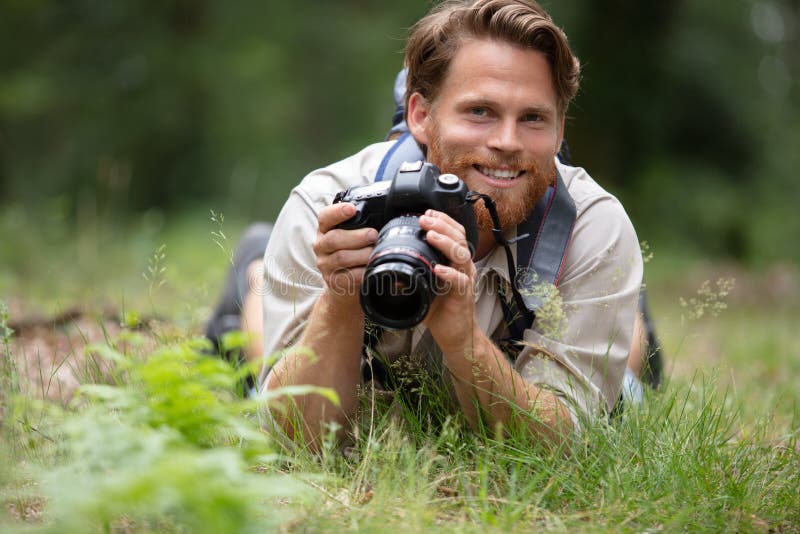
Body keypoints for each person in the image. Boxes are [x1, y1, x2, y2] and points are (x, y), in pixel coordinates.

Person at [208, 0, 645, 447]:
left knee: (629, 369)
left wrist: (463, 341)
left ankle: (631, 311)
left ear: (559, 130)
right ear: (419, 115)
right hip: (327, 281)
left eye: (533, 118)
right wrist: (340, 300)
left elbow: (564, 445)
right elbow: (295, 443)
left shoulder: (593, 228)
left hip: (554, 272)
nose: (507, 142)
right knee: (258, 349)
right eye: (480, 111)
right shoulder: (327, 204)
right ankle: (255, 262)